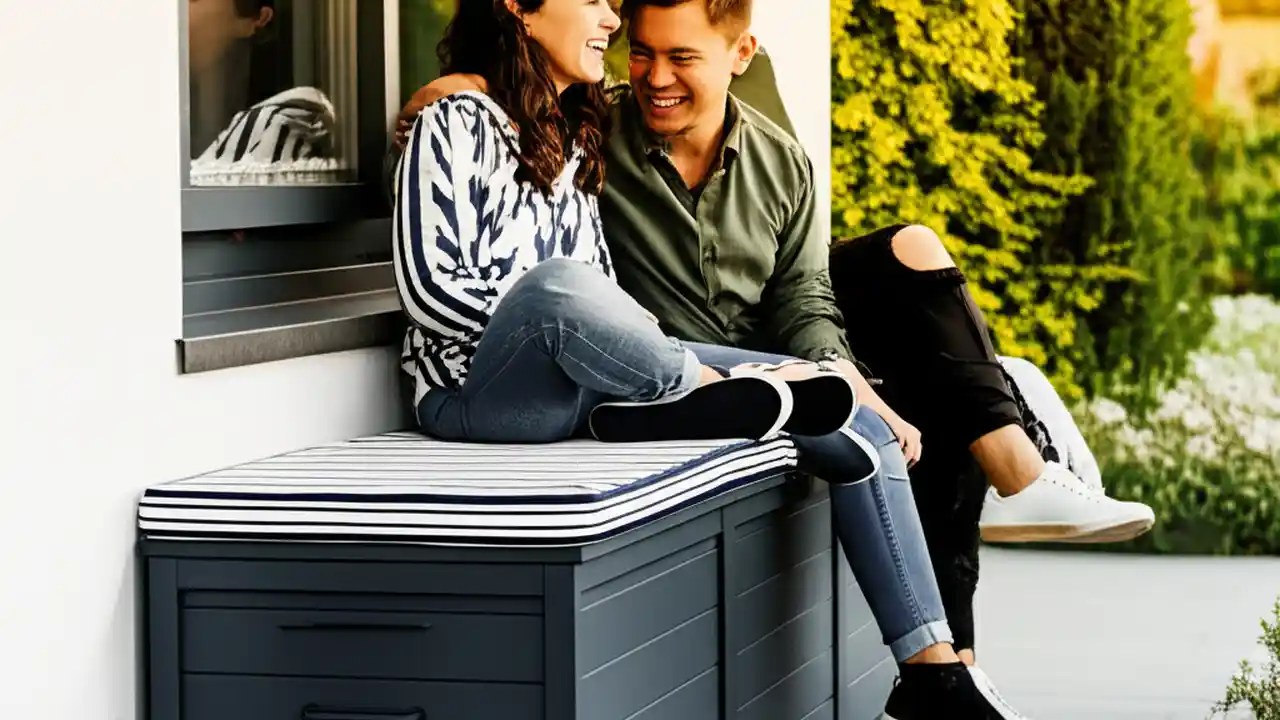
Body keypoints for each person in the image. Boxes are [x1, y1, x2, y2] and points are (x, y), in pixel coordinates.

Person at [393, 0, 1031, 716]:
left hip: (583, 388)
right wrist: (561, 326)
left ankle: (932, 673)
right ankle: (695, 387)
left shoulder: (576, 135)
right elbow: (431, 293)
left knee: (855, 421)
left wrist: (607, 339)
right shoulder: (456, 123)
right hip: (477, 391)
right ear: (519, 8)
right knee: (558, 288)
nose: (611, 23)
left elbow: (616, 301)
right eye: (596, 4)